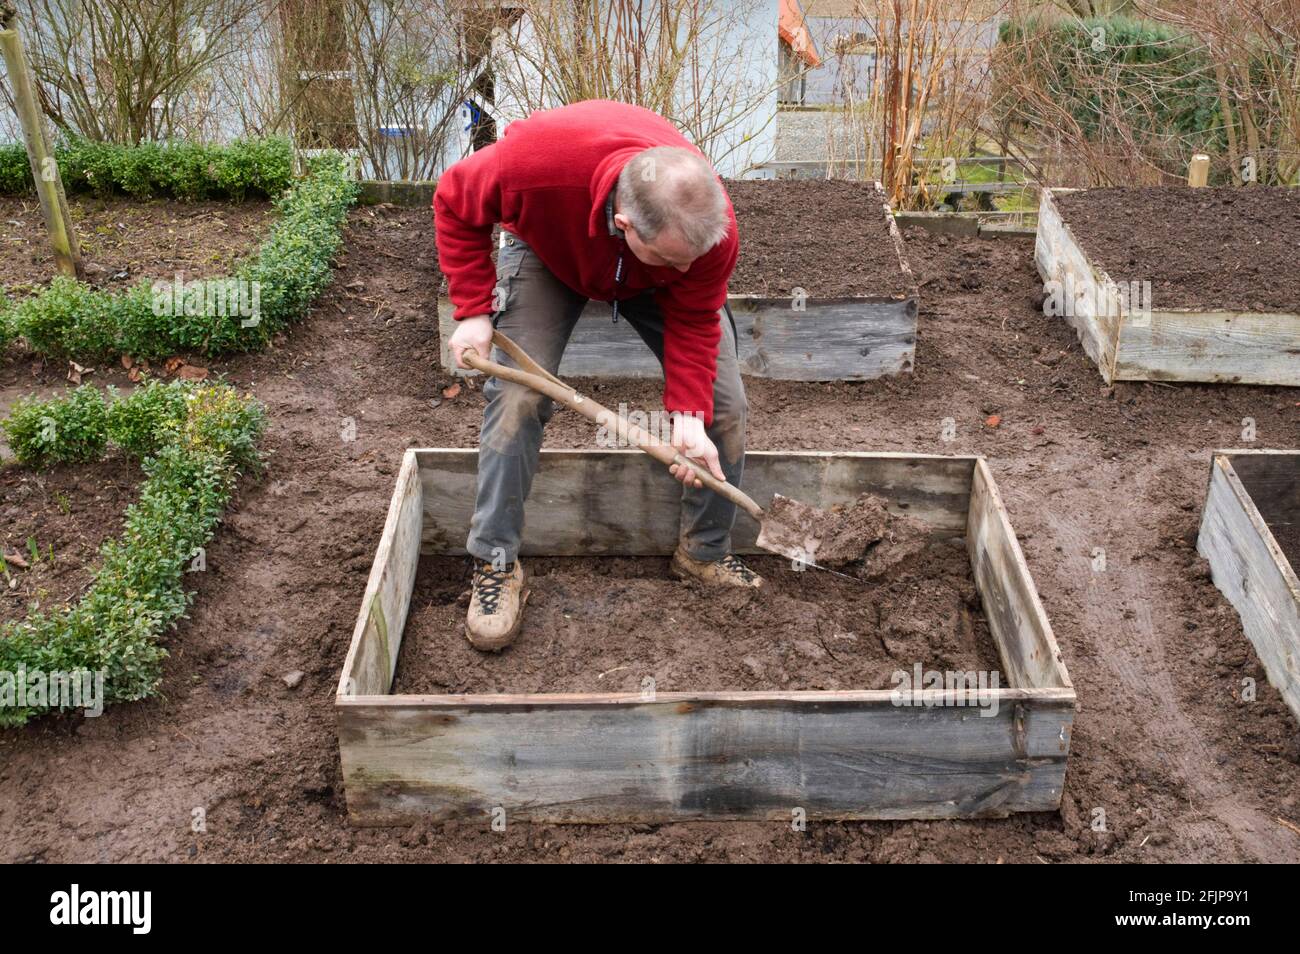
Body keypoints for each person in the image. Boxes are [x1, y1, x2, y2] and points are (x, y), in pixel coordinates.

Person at [434, 99, 761, 652]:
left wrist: (687, 415)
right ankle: (496, 565)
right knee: (516, 400)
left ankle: (704, 551)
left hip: (644, 279)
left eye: (693, 260)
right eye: (673, 259)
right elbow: (453, 201)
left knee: (722, 407)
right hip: (549, 251)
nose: (687, 271)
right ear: (623, 223)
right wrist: (471, 310)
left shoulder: (705, 232)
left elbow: (695, 307)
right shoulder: (532, 168)